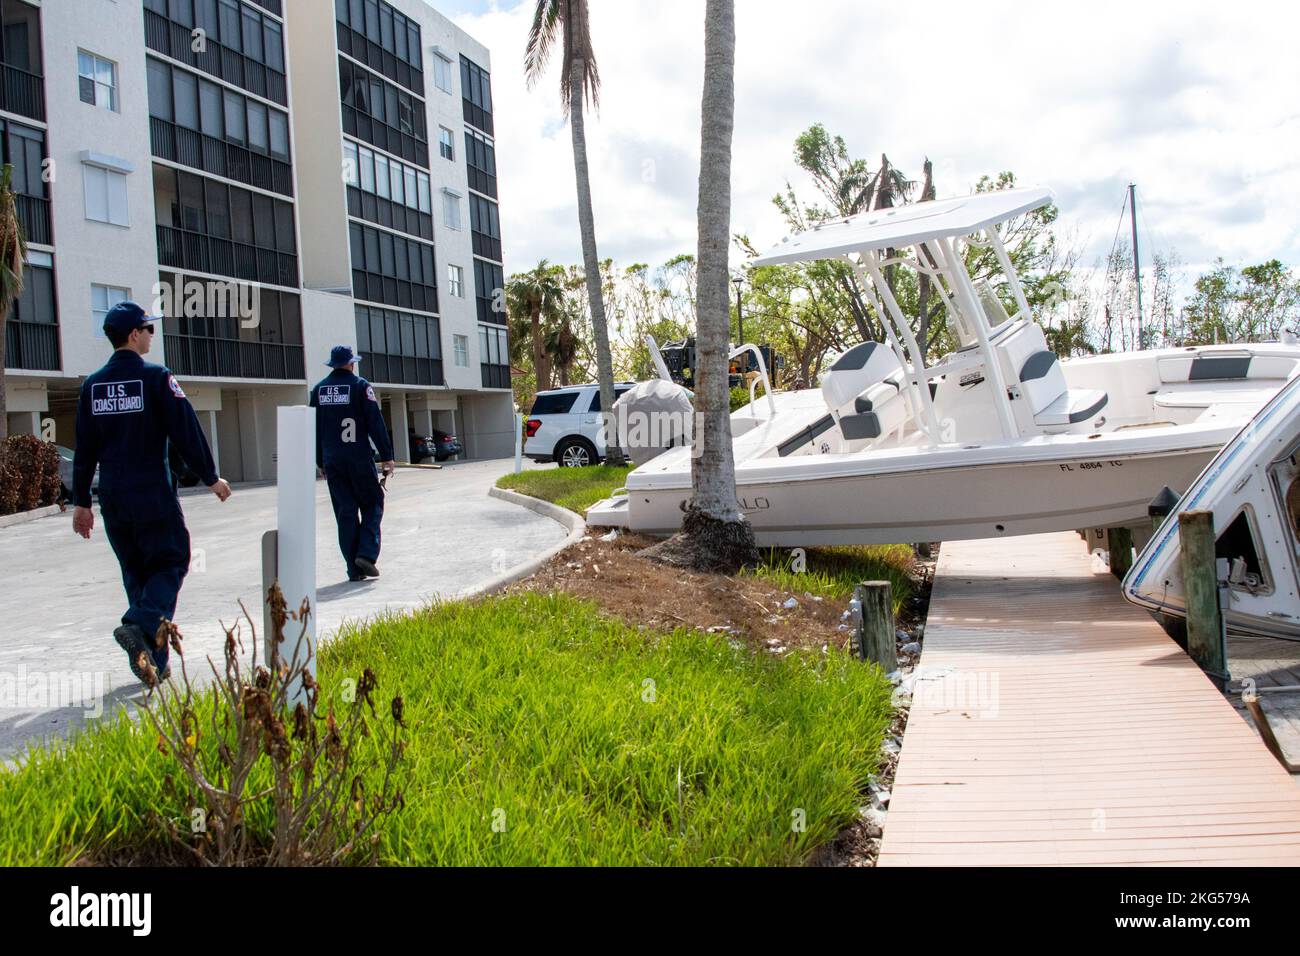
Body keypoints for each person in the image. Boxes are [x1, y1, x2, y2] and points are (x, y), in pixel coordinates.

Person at [71, 301, 232, 687]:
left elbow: (84, 449)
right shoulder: (157, 378)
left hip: (113, 496)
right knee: (173, 560)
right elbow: (186, 431)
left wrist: (80, 503)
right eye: (148, 329)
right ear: (132, 335)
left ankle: (154, 661)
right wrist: (211, 477)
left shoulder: (92, 386)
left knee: (138, 574)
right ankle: (140, 624)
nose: (151, 336)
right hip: (152, 492)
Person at [309, 345, 395, 582]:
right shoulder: (360, 386)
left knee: (345, 512)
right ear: (351, 363)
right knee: (373, 502)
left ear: (332, 364)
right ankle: (366, 553)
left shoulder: (318, 391)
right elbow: (375, 422)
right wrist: (387, 456)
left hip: (332, 462)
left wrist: (320, 462)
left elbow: (313, 430)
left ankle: (353, 568)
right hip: (358, 457)